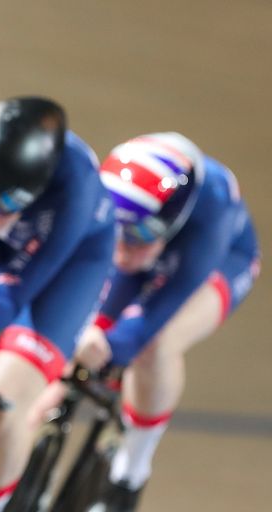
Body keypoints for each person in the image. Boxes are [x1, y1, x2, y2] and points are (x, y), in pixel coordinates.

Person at [73, 132, 260, 511]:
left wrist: (112, 342)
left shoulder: (213, 208)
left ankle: (132, 470)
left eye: (139, 236)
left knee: (157, 344)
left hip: (221, 261)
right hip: (157, 234)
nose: (123, 252)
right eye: (118, 234)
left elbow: (154, 316)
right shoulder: (122, 201)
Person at [0, 96, 117, 512]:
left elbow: (16, 293)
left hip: (66, 266)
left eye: (4, 204)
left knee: (3, 398)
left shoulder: (75, 185)